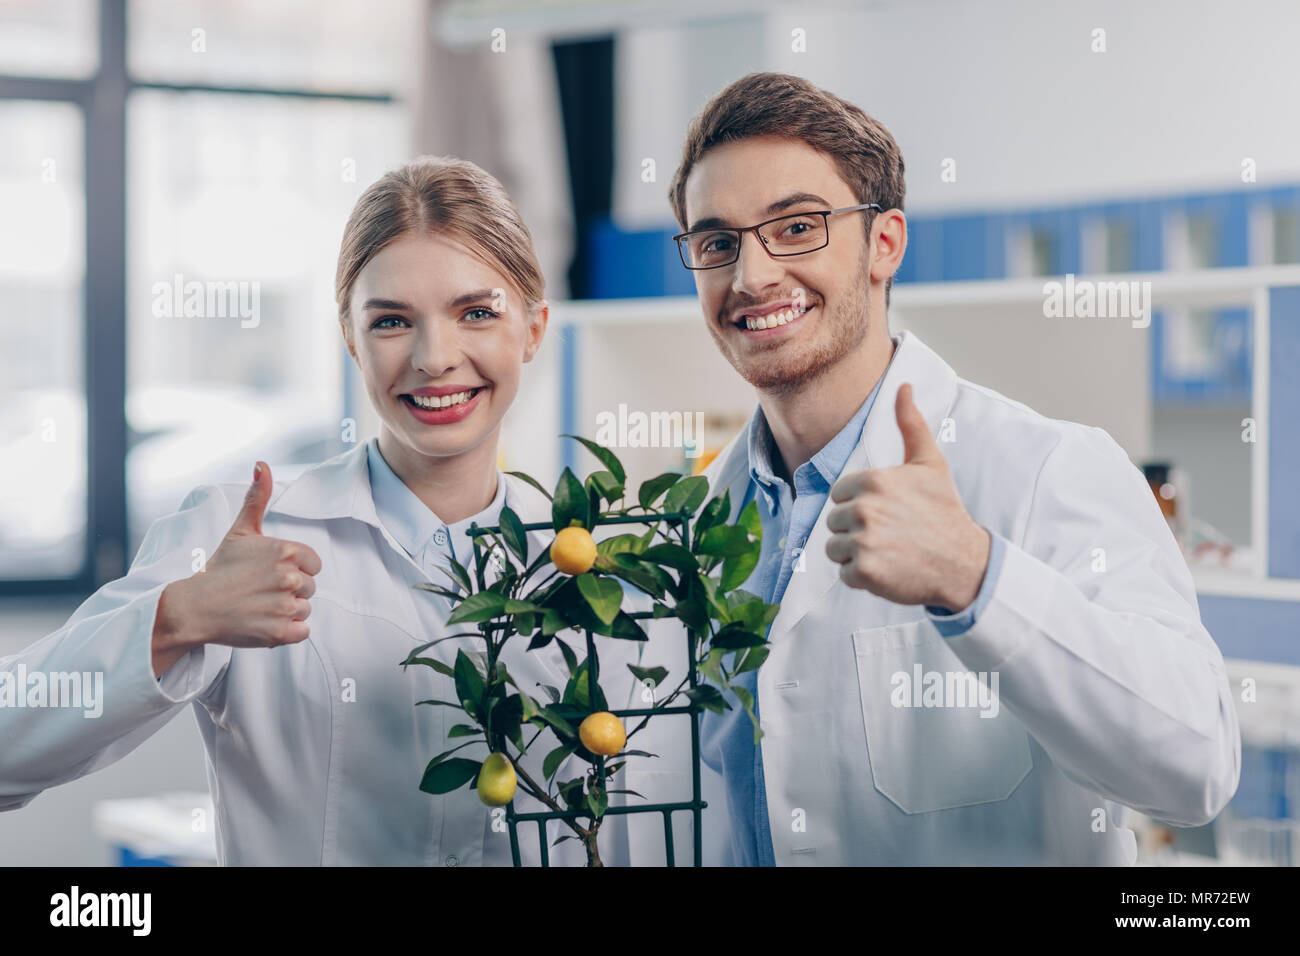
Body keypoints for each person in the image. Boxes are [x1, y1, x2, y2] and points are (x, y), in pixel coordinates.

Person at [654, 71, 1241, 865]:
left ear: (884, 244)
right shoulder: (691, 524)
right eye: (718, 241)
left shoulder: (1046, 470)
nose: (752, 276)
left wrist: (977, 578)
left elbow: (1196, 765)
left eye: (796, 227)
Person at [0, 156, 605, 866]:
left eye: (476, 312)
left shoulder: (589, 566)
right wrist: (177, 616)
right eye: (391, 322)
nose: (435, 357)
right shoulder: (238, 537)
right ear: (351, 338)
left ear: (534, 329)